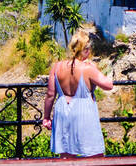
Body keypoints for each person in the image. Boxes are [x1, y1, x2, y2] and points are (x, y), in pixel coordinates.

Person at [43, 28, 113, 158]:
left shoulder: (57, 67)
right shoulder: (87, 69)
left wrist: (46, 117)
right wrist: (94, 68)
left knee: (66, 156)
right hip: (83, 110)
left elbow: (50, 95)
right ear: (85, 50)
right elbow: (108, 85)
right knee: (94, 155)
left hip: (62, 109)